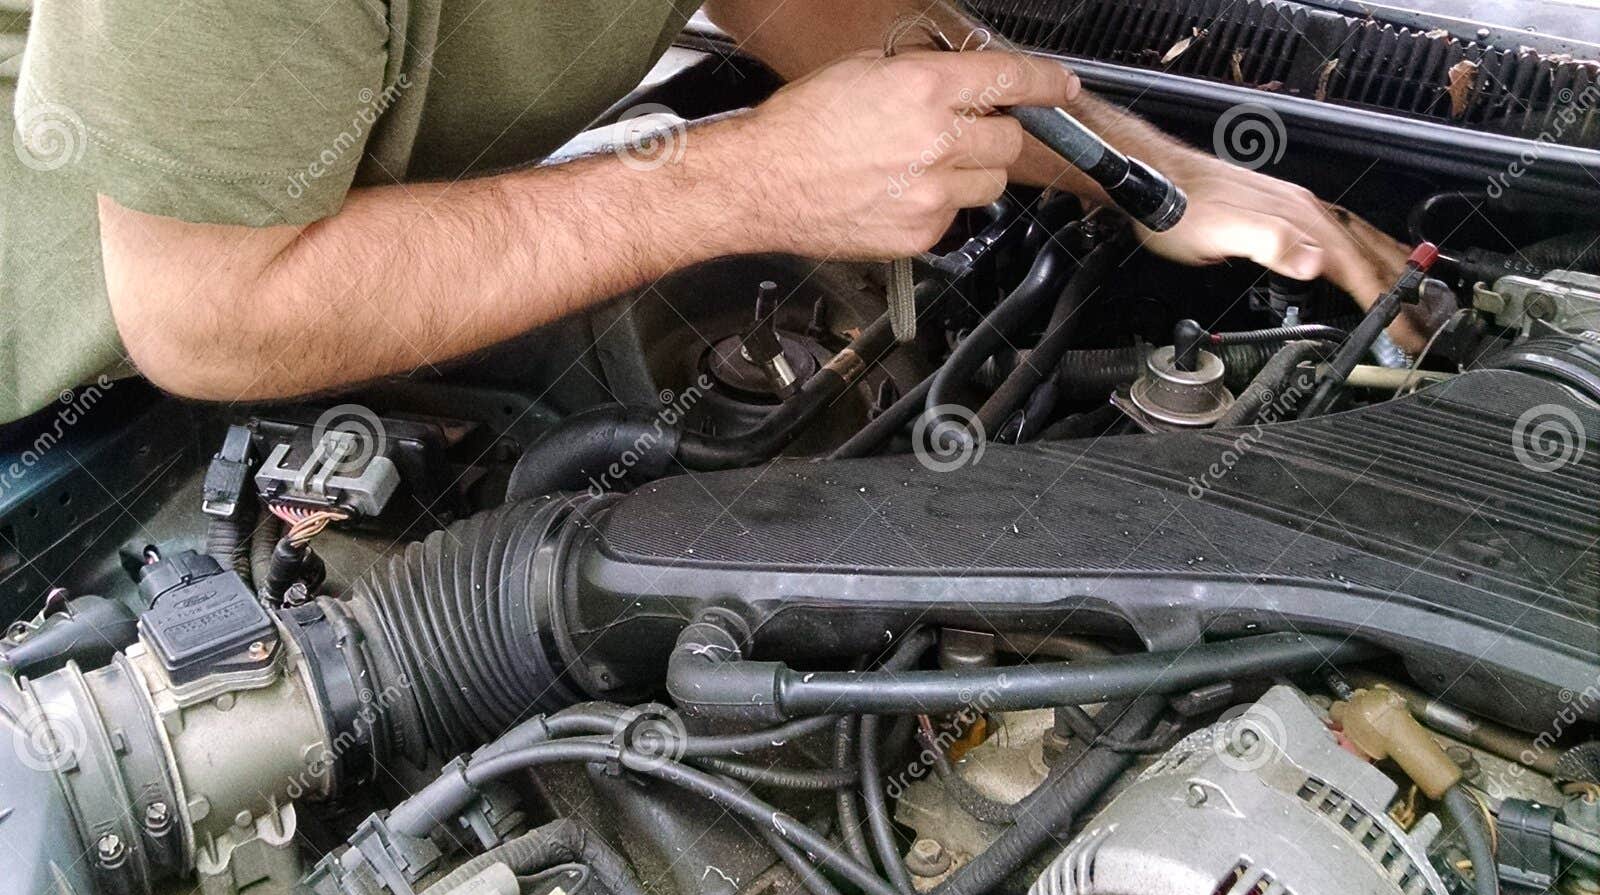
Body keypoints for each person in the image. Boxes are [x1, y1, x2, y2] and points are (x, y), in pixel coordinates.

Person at [0, 0, 1414, 423]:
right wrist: (743, 177)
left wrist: (1149, 173)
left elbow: (834, 11)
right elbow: (208, 315)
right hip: (72, 409)